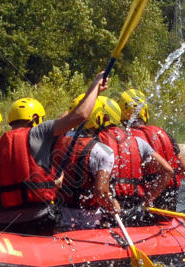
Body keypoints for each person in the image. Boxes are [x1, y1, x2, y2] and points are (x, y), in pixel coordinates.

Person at [0, 73, 108, 237]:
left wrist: (92, 94)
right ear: (36, 119)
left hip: (1, 222)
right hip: (37, 221)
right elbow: (79, 116)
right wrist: (94, 86)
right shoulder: (38, 133)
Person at [54, 96, 173, 231]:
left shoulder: (91, 144)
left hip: (105, 211)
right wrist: (147, 199)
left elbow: (57, 128)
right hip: (134, 209)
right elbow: (167, 171)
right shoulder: (137, 142)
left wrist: (75, 109)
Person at [120, 87, 185, 211]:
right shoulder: (165, 135)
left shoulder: (124, 140)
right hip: (168, 201)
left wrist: (148, 198)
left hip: (140, 204)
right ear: (145, 113)